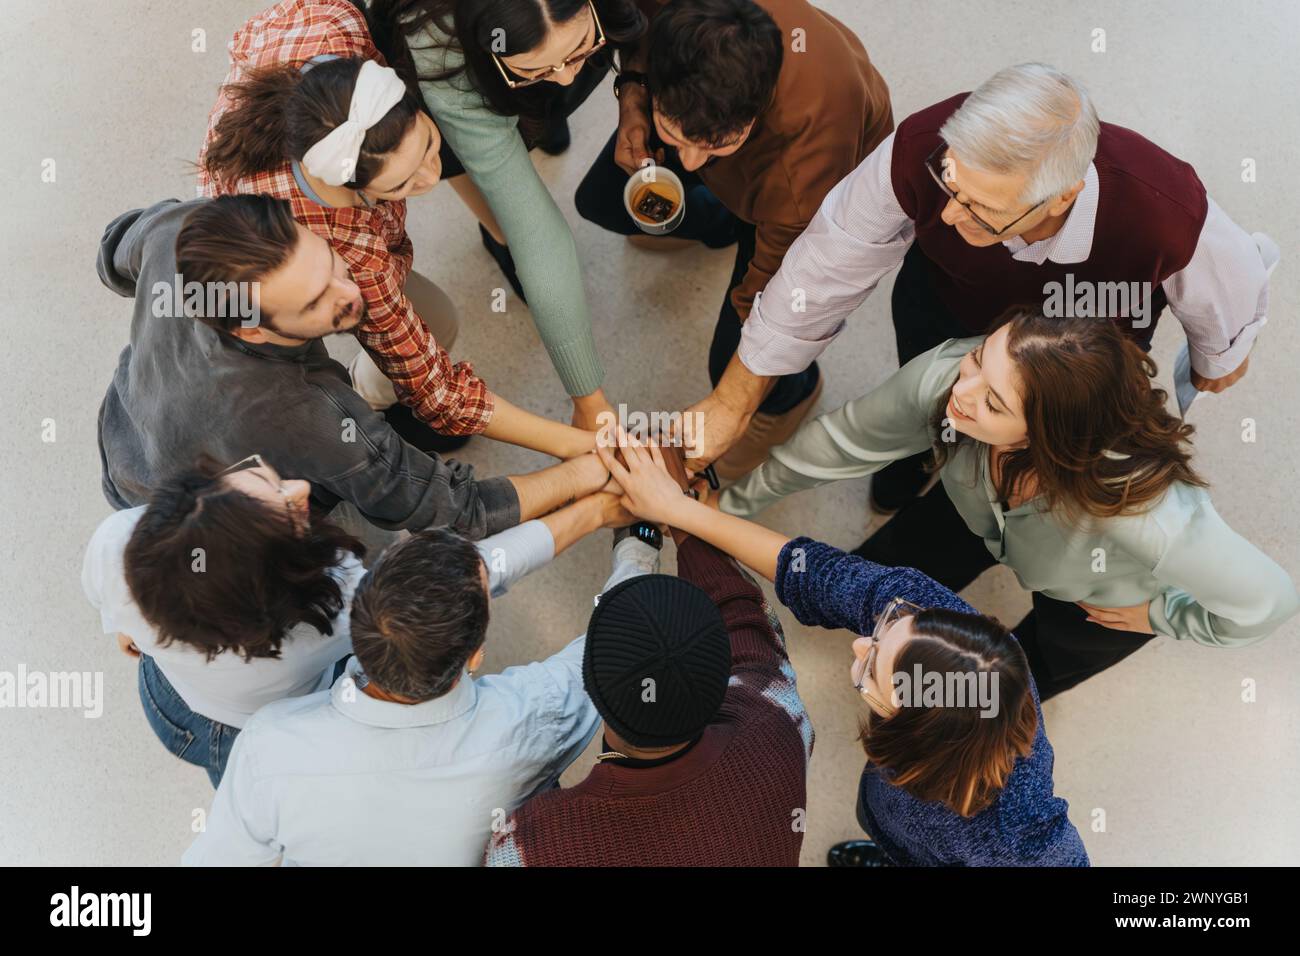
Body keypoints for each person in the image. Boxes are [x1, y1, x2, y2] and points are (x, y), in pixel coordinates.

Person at [685, 62, 1277, 513]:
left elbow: (1231, 296)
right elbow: (823, 266)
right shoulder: (920, 146)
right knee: (925, 399)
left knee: (1025, 462)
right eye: (950, 186)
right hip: (941, 303)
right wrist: (732, 401)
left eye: (982, 210)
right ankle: (918, 456)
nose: (945, 218)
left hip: (1067, 363)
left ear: (1063, 194)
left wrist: (1215, 355)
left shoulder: (1167, 211)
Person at [718, 309, 1300, 698]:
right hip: (970, 510)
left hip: (1095, 598)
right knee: (889, 571)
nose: (961, 394)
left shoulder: (1143, 514)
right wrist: (728, 503)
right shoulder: (955, 379)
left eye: (993, 402)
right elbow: (839, 442)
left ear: (1046, 434)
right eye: (979, 362)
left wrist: (1161, 616)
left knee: (1011, 681)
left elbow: (1270, 601)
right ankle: (884, 646)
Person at [586, 433, 1090, 866]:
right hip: (892, 810)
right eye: (889, 626)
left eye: (872, 667)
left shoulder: (1017, 841)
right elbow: (813, 573)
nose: (859, 641)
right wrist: (681, 512)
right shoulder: (945, 630)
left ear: (915, 724)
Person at [97, 194, 610, 549]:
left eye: (329, 265)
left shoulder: (180, 232)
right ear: (252, 330)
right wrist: (584, 473)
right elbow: (459, 510)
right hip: (212, 524)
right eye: (316, 301)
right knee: (367, 555)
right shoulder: (310, 415)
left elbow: (111, 251)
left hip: (126, 449)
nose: (352, 295)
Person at [198, 0, 600, 449]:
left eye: (430, 145)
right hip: (265, 293)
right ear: (354, 189)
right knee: (438, 323)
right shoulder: (350, 256)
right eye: (404, 184)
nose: (431, 178)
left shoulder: (335, 23)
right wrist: (574, 443)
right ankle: (364, 403)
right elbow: (438, 390)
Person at [182, 489, 649, 866]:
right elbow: (612, 642)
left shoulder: (270, 747)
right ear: (475, 657)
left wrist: (594, 508)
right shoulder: (531, 721)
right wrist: (637, 538)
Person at [575, 0, 893, 478]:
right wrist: (634, 95)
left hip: (805, 207)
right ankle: (724, 222)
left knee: (733, 354)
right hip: (722, 136)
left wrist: (738, 396)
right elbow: (637, 27)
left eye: (716, 147)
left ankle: (791, 398)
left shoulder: (806, 165)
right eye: (675, 135)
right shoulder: (677, 19)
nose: (692, 163)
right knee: (600, 199)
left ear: (758, 110)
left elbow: (783, 297)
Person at [485, 431, 813, 867]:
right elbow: (747, 619)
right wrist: (679, 512)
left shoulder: (533, 843)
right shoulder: (778, 729)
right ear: (723, 679)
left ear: (589, 688)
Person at [368, 0, 653, 428]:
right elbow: (533, 226)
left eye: (578, 50)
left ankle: (542, 104)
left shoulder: (573, 49)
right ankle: (496, 232)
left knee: (550, 94)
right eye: (535, 68)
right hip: (463, 69)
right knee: (463, 157)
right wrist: (589, 400)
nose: (566, 76)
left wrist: (631, 91)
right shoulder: (435, 43)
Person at [82, 454, 364, 787]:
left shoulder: (115, 542)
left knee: (234, 786)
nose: (301, 487)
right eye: (292, 513)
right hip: (250, 732)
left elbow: (102, 595)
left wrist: (126, 625)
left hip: (170, 706)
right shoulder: (337, 611)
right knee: (247, 783)